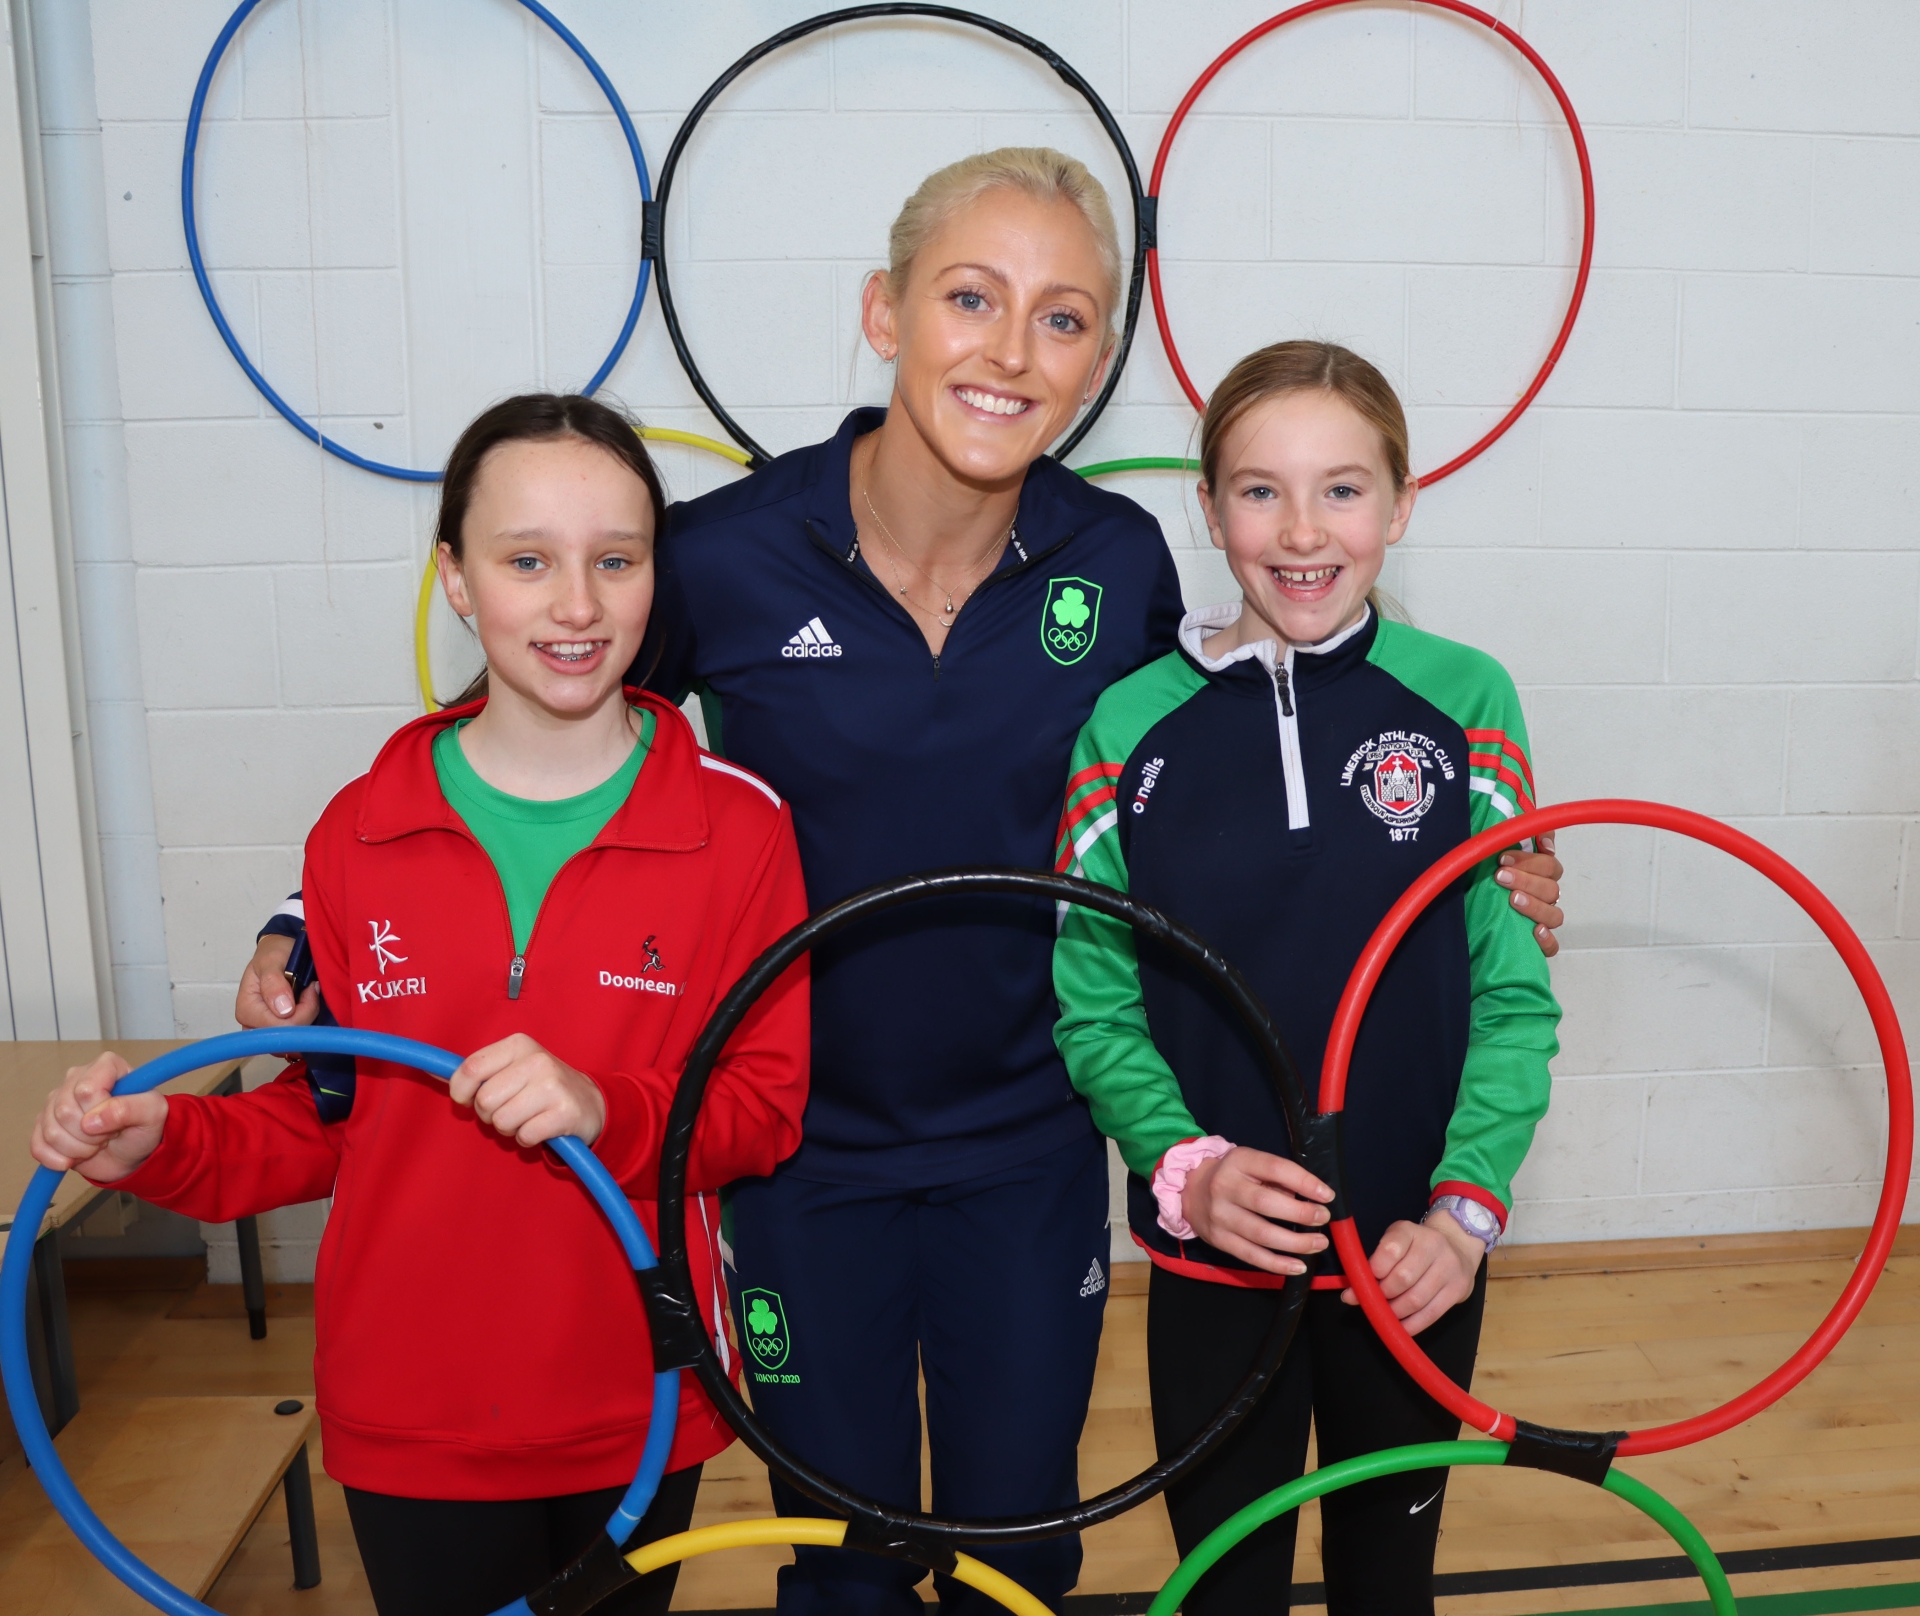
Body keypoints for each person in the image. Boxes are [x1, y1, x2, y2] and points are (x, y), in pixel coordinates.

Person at [231, 151, 1566, 1613]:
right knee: (841, 1565)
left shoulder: (1115, 560)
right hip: (797, 1162)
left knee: (1019, 1561)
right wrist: (310, 915)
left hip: (1028, 1153)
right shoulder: (723, 554)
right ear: (885, 311)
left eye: (1063, 318)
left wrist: (1478, 866)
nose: (1012, 350)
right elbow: (534, 730)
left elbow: (1214, 780)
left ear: (1098, 362)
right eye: (971, 298)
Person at [31, 395, 810, 1616]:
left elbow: (761, 1112)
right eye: (527, 560)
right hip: (411, 1409)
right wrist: (163, 1142)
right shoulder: (360, 830)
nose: (577, 604)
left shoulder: (742, 828)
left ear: (656, 574)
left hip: (636, 1395)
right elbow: (326, 1118)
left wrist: (602, 1106)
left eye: (615, 560)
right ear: (455, 578)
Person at [1052, 342, 1561, 1614]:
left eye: (1342, 489)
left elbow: (1512, 995)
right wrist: (1188, 1170)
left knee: (1389, 1581)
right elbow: (1096, 1005)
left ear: (1401, 502)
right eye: (1259, 490)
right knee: (1226, 1585)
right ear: (1210, 505)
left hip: (1412, 1260)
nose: (1301, 531)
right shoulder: (1125, 727)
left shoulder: (1470, 701)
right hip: (1217, 1264)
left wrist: (1465, 1212)